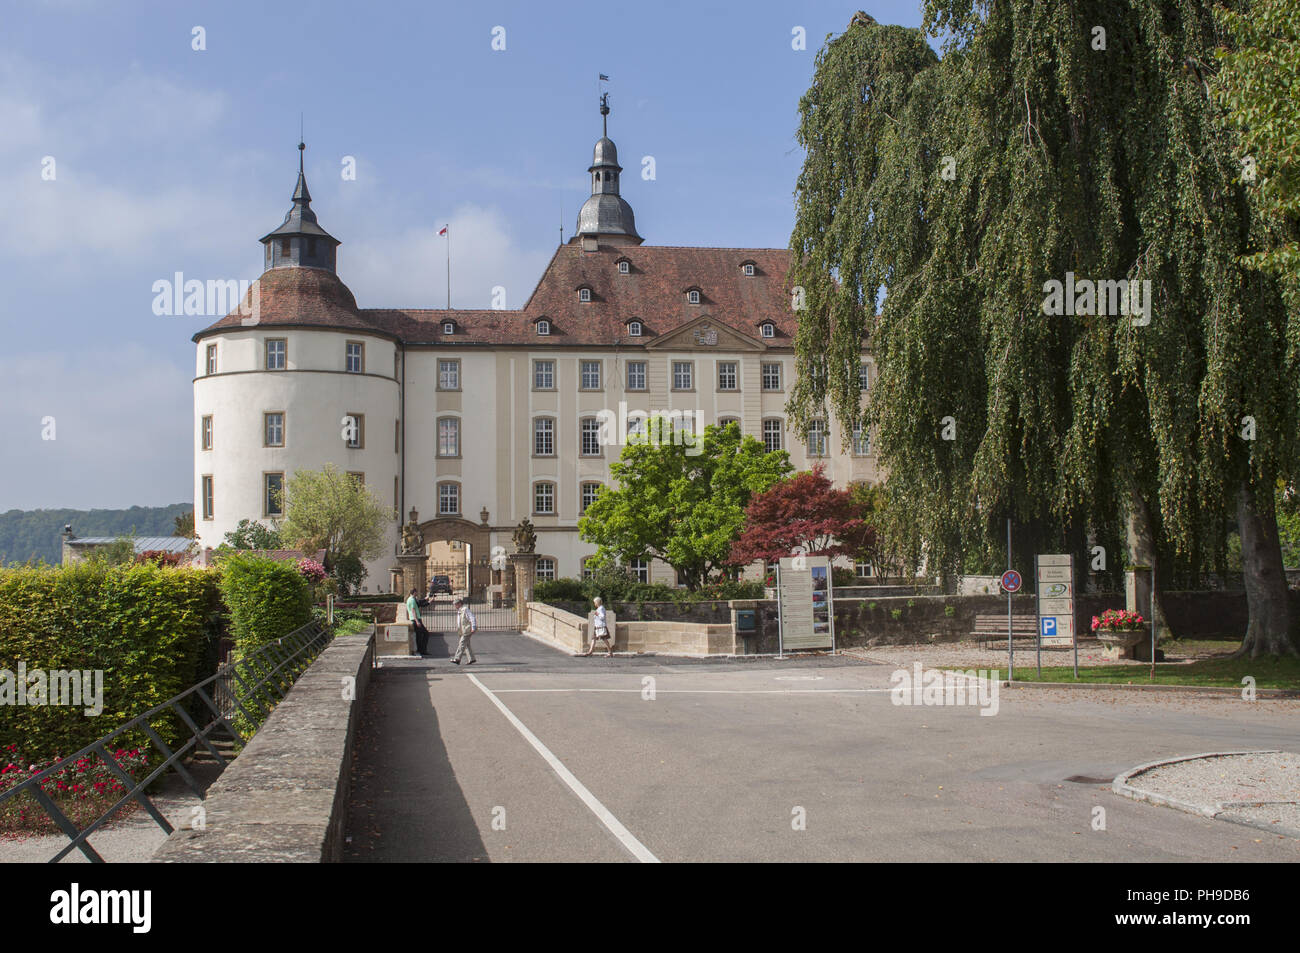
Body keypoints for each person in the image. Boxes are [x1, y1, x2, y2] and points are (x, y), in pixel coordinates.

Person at [450, 597, 477, 665]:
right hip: (462, 630)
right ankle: (471, 659)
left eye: (455, 604)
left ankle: (457, 658)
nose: (455, 606)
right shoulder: (460, 611)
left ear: (459, 604)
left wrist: (473, 627)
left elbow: (472, 617)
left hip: (467, 630)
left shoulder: (465, 609)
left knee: (462, 644)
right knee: (466, 645)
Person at [407, 589, 430, 657]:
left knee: (419, 636)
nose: (417, 593)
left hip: (415, 619)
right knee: (425, 634)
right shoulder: (412, 600)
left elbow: (419, 603)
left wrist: (427, 600)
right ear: (414, 593)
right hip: (416, 620)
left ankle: (421, 650)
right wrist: (417, 621)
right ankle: (422, 650)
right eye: (416, 592)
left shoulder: (411, 599)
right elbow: (413, 611)